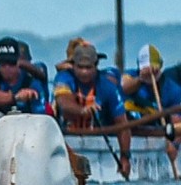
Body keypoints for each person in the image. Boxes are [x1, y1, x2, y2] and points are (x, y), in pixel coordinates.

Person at [54, 40, 132, 172]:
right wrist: (83, 110)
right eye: (80, 67)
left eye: (88, 68)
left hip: (98, 136)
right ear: (73, 66)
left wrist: (125, 157)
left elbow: (123, 125)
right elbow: (64, 102)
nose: (84, 72)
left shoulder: (108, 86)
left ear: (96, 66)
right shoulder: (63, 78)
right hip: (67, 140)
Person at [0, 37, 46, 114]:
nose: (7, 68)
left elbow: (40, 115)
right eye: (2, 63)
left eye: (11, 63)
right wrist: (16, 98)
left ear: (19, 62)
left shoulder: (31, 81)